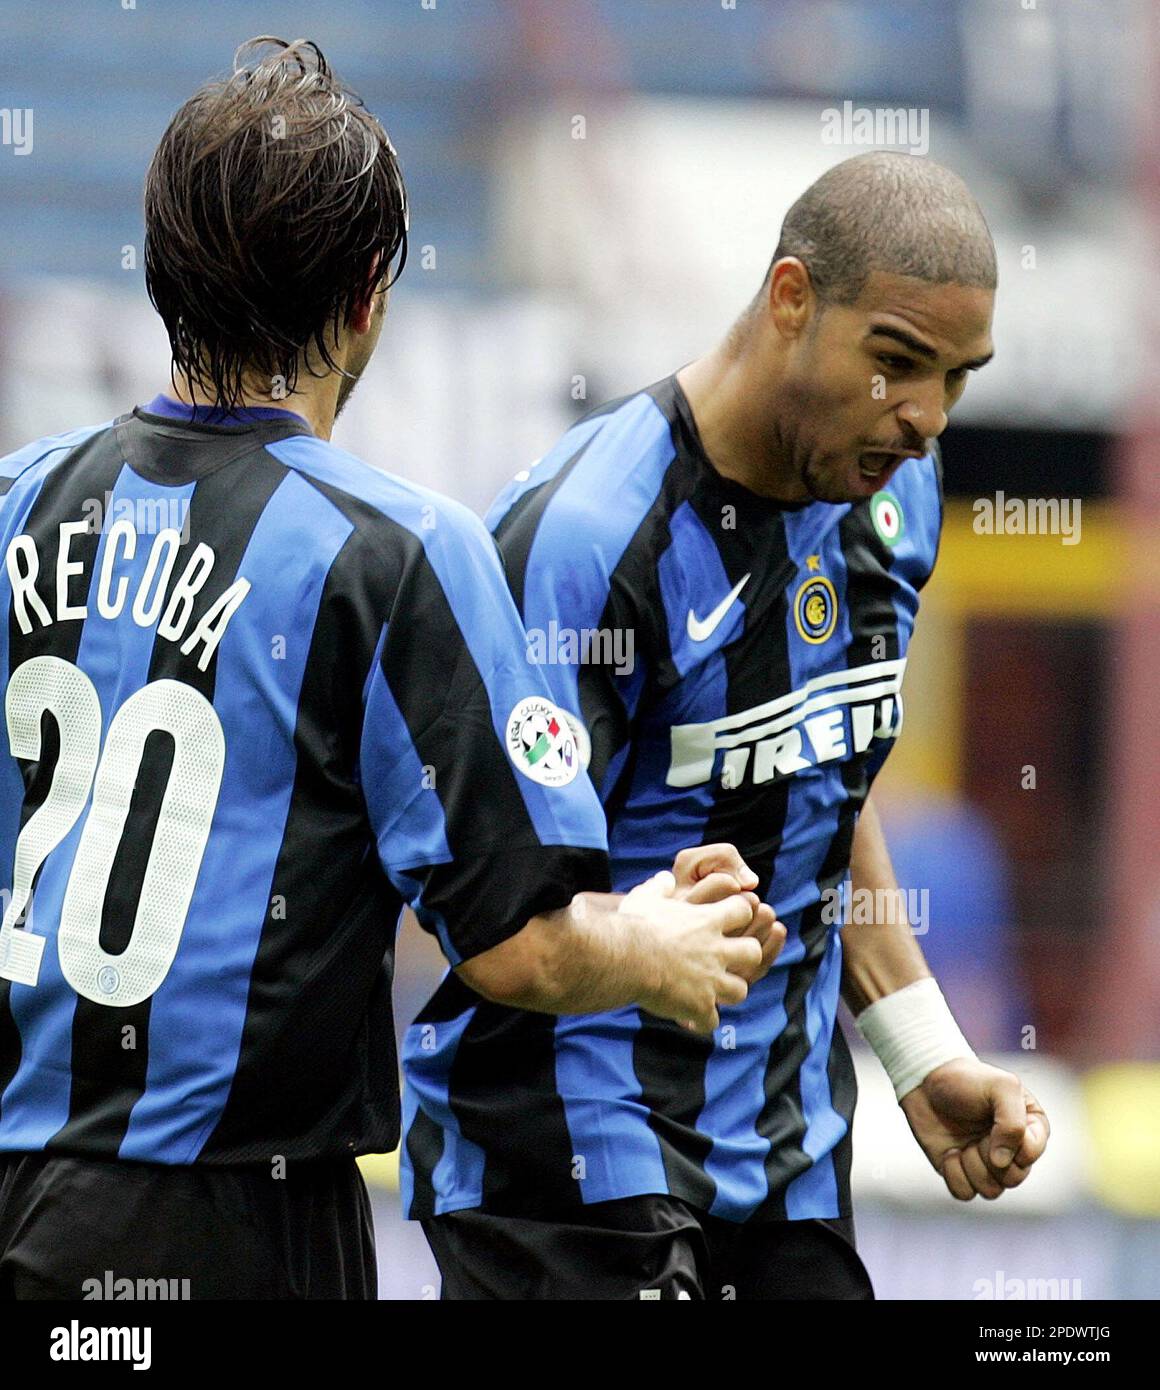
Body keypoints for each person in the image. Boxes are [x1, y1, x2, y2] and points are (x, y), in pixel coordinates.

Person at [0, 37, 780, 1301]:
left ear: (158, 275)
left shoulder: (18, 502)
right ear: (371, 292)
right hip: (230, 1221)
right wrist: (654, 946)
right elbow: (515, 946)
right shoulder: (395, 549)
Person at [403, 152, 1050, 1300]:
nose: (923, 417)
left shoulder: (895, 498)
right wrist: (643, 950)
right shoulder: (588, 539)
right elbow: (492, 912)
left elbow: (820, 795)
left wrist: (918, 1052)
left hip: (783, 1157)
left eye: (954, 378)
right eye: (895, 362)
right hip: (571, 1161)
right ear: (790, 299)